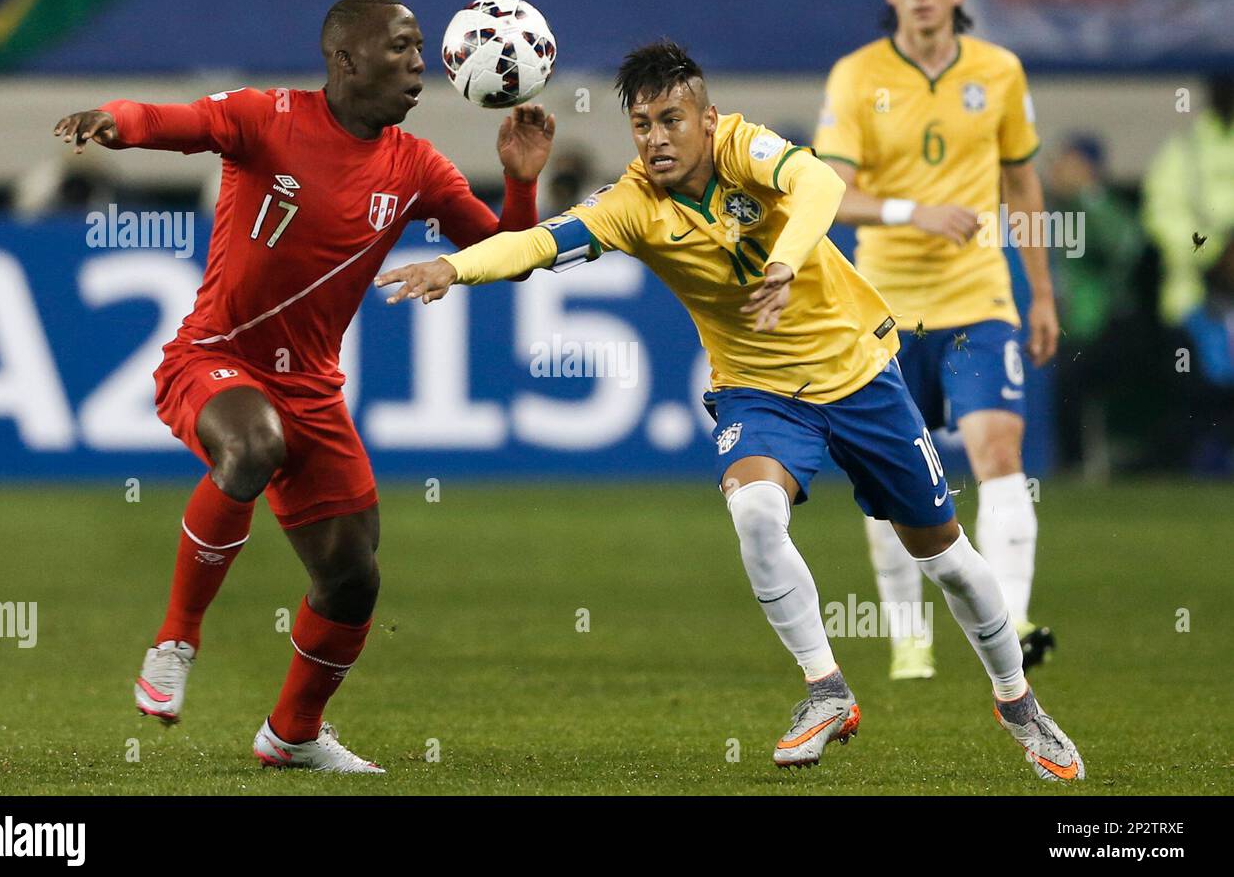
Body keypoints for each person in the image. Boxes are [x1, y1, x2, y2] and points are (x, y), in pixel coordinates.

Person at [376, 41, 1084, 781]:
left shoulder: (747, 148)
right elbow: (538, 245)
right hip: (758, 390)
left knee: (949, 561)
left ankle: (1017, 702)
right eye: (642, 124)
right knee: (754, 515)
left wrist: (782, 264)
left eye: (671, 120)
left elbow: (818, 187)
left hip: (861, 377)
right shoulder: (633, 207)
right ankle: (826, 690)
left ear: (708, 120)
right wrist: (451, 268)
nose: (655, 138)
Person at [51, 0, 555, 773]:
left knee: (352, 579)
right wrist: (112, 119)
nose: (422, 62)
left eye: (422, 46)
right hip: (213, 359)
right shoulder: (266, 118)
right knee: (250, 446)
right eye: (400, 46)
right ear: (346, 59)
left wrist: (519, 184)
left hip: (313, 391)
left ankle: (290, 736)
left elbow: (505, 255)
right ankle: (177, 637)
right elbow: (172, 121)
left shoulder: (416, 166)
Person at [812, 0, 1057, 680]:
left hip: (978, 298)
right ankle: (909, 640)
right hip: (883, 307)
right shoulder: (856, 76)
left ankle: (1010, 619)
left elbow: (1022, 184)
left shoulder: (1000, 72)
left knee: (998, 452)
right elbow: (829, 192)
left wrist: (1041, 291)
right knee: (894, 481)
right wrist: (911, 213)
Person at [1141, 73, 1234, 473]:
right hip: (1196, 297)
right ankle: (1201, 463)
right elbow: (1163, 214)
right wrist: (1213, 254)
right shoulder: (1185, 150)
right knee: (1201, 386)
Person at [1046, 136, 1145, 475]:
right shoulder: (1051, 210)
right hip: (1061, 325)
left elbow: (1125, 247)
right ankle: (1063, 461)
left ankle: (1078, 463)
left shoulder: (1103, 207)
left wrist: (1087, 193)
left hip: (1104, 325)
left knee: (1072, 374)